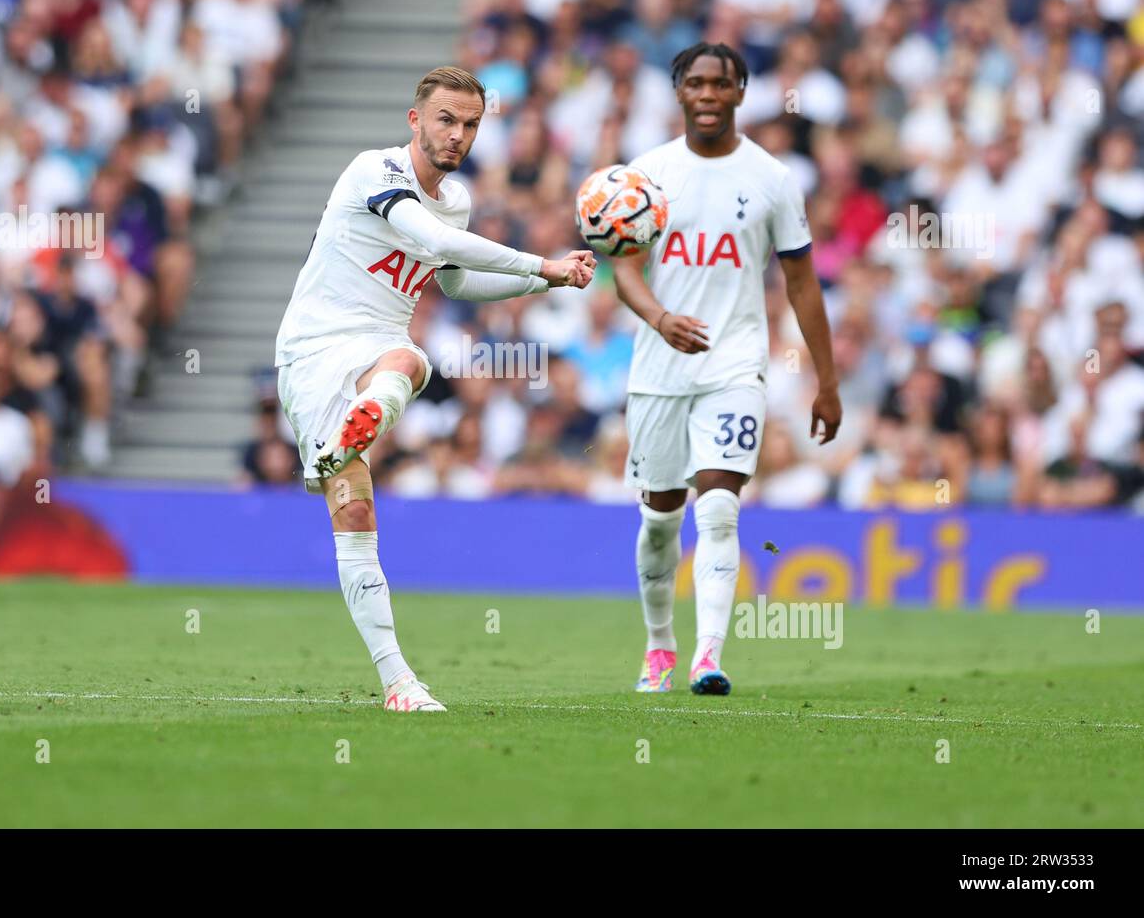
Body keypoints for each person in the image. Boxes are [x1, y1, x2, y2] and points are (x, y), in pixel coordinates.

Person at [273, 66, 595, 711]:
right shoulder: (375, 171)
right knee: (389, 417)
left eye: (471, 124)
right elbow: (435, 240)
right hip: (312, 349)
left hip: (380, 350)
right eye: (446, 119)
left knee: (408, 370)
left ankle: (399, 684)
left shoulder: (457, 200)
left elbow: (456, 279)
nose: (458, 135)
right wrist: (542, 262)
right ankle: (358, 426)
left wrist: (548, 283)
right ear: (415, 119)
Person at [613, 42, 842, 695]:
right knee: (660, 518)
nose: (709, 94)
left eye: (722, 83)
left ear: (741, 92)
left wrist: (826, 381)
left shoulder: (772, 179)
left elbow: (803, 284)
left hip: (735, 363)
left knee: (717, 508)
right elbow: (623, 268)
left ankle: (707, 656)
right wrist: (661, 319)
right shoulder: (648, 173)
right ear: (680, 92)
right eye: (696, 83)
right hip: (659, 368)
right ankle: (660, 646)